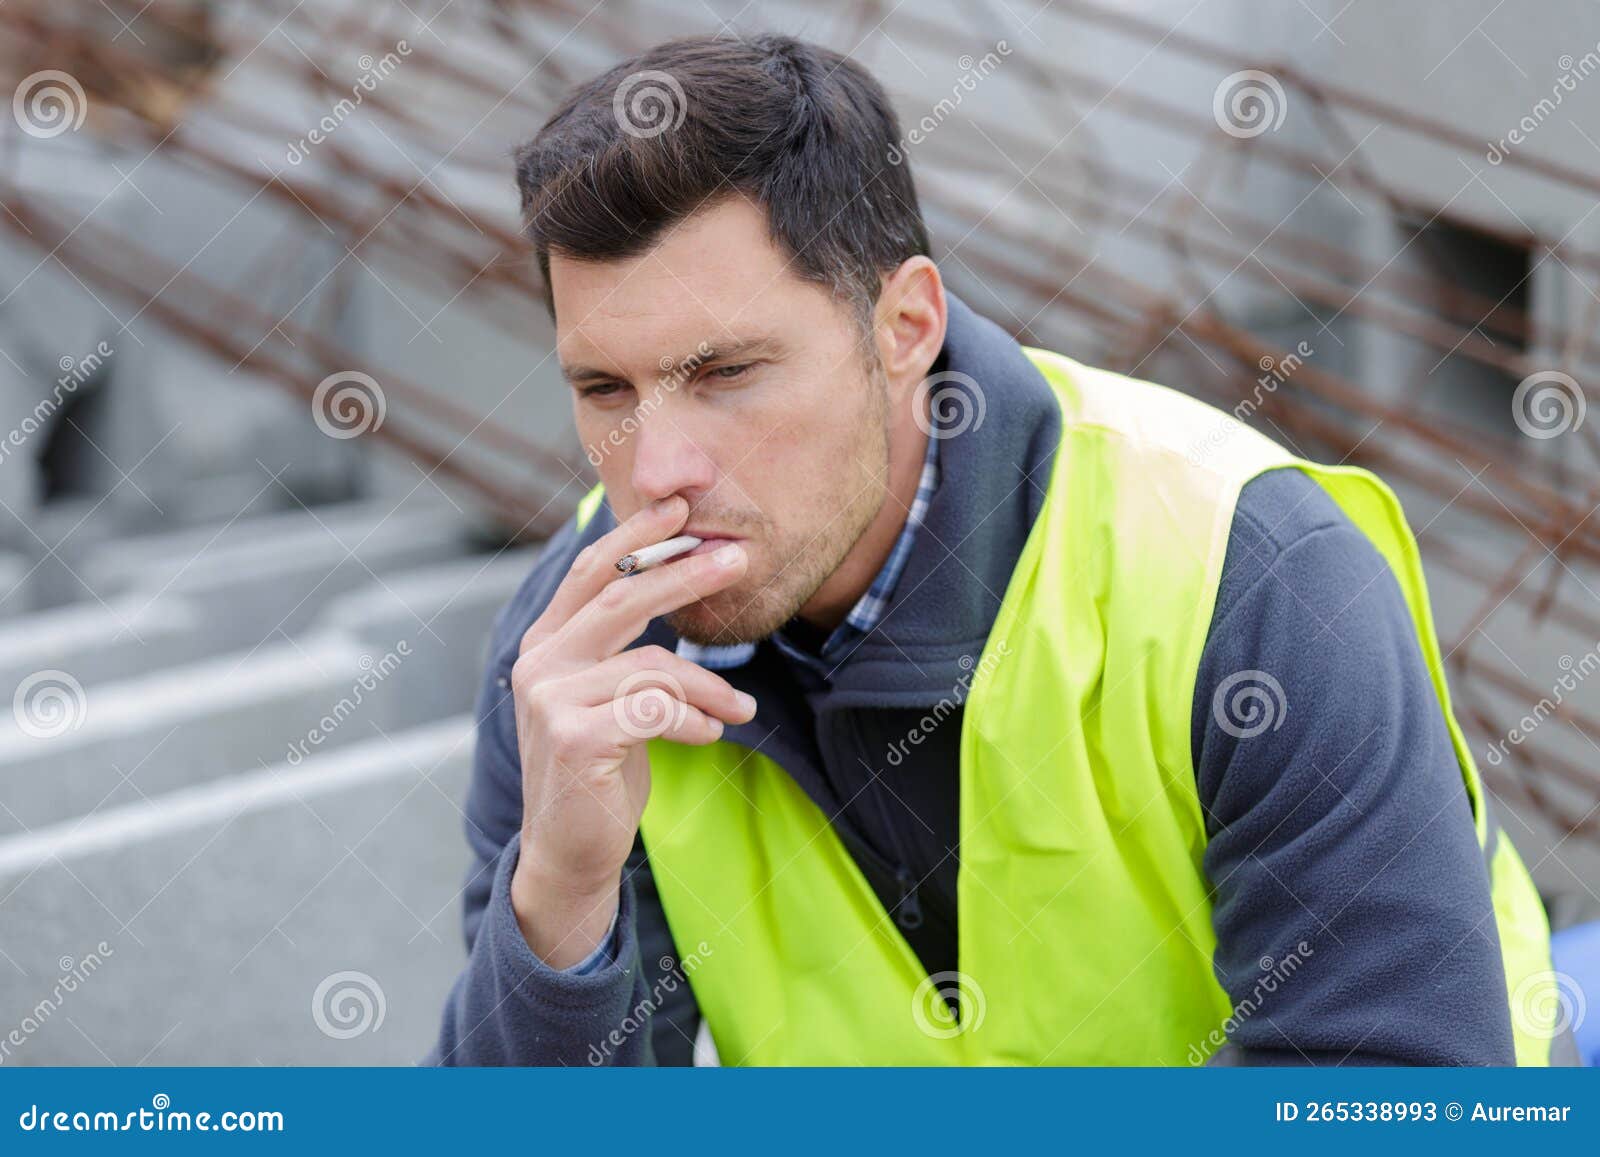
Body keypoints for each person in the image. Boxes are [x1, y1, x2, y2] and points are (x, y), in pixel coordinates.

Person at [426, 33, 1570, 1067]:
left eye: (726, 374)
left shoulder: (1248, 570)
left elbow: (1392, 1087)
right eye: (604, 388)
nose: (659, 465)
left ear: (905, 327)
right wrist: (562, 902)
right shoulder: (570, 662)